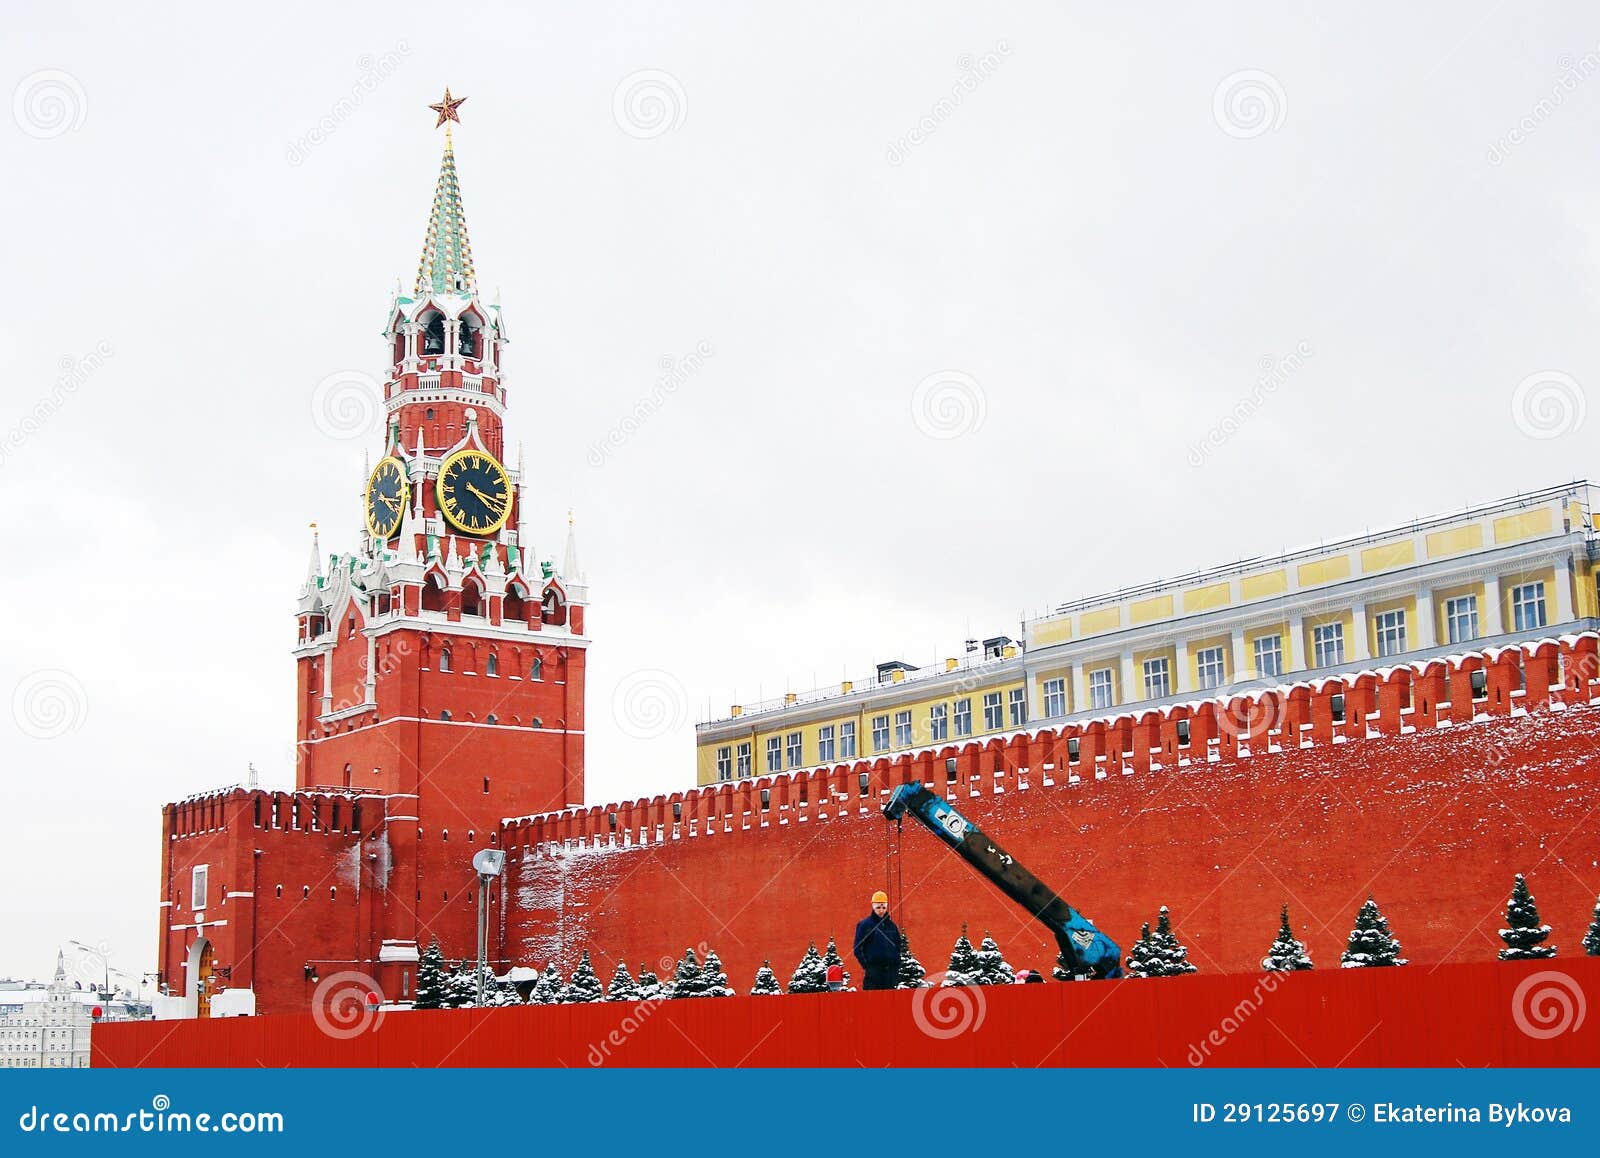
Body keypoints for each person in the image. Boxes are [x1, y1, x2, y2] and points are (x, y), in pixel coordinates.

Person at [852, 890, 901, 991]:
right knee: (873, 998)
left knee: (890, 999)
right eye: (878, 907)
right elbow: (857, 948)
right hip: (873, 972)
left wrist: (896, 963)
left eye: (884, 907)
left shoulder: (892, 926)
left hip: (890, 973)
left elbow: (898, 946)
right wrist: (867, 966)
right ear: (873, 907)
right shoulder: (865, 925)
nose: (881, 910)